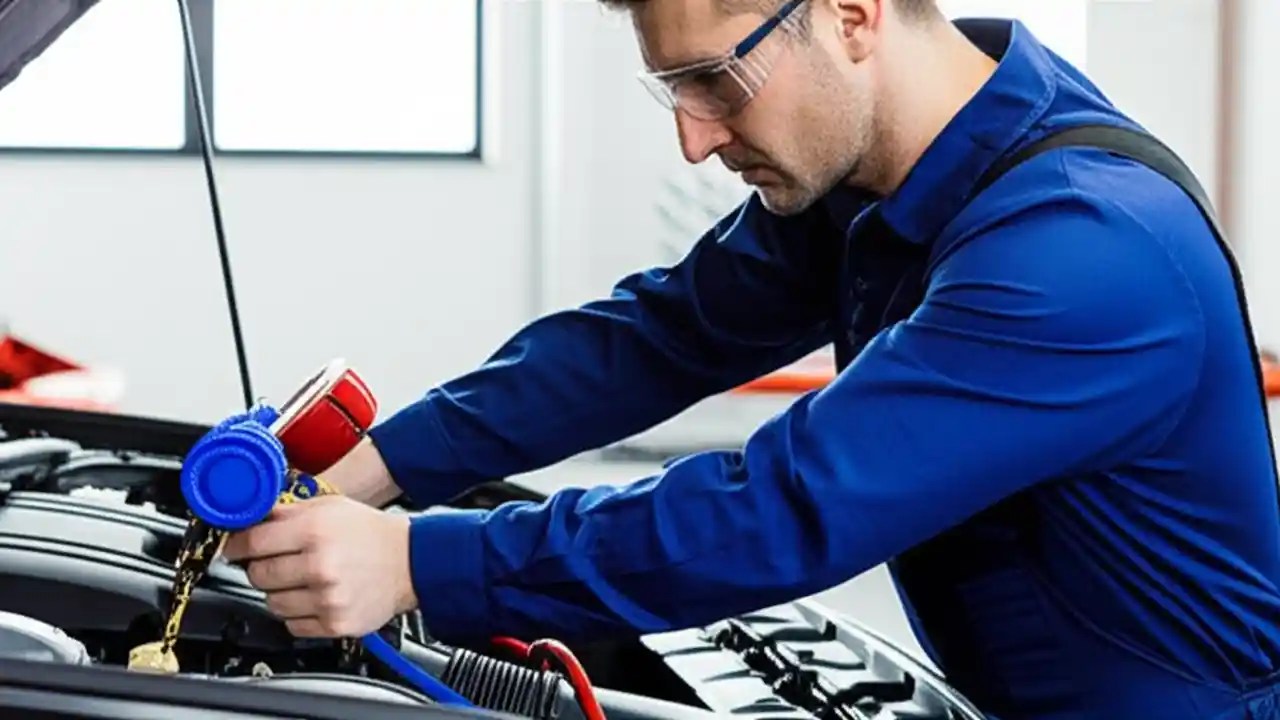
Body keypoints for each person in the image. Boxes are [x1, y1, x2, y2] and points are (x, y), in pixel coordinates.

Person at [219, 0, 1280, 717]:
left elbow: (783, 509)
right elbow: (659, 336)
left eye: (715, 80)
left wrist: (418, 564)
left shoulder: (1082, 249)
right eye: (670, 89)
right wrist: (378, 463)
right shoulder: (884, 176)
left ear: (851, 15)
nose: (693, 138)